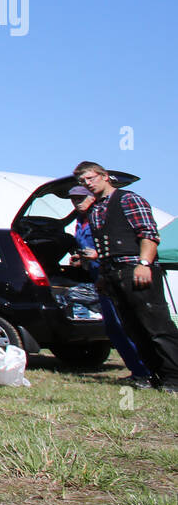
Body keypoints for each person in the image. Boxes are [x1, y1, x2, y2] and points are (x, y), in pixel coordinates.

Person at [73, 161, 178, 393]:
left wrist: (144, 263)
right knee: (133, 328)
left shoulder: (129, 199)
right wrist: (102, 274)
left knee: (157, 326)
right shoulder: (95, 209)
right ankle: (153, 375)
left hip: (135, 268)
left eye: (90, 178)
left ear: (105, 176)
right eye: (82, 182)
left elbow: (148, 234)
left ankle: (174, 378)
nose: (87, 184)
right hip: (112, 272)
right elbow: (107, 246)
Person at [69, 185, 154, 385]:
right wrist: (82, 260)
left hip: (116, 272)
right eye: (73, 199)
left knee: (127, 323)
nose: (76, 202)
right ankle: (138, 371)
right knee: (113, 327)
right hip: (98, 275)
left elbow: (117, 243)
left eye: (81, 198)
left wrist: (98, 255)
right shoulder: (79, 222)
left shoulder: (101, 216)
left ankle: (149, 370)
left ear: (92, 196)